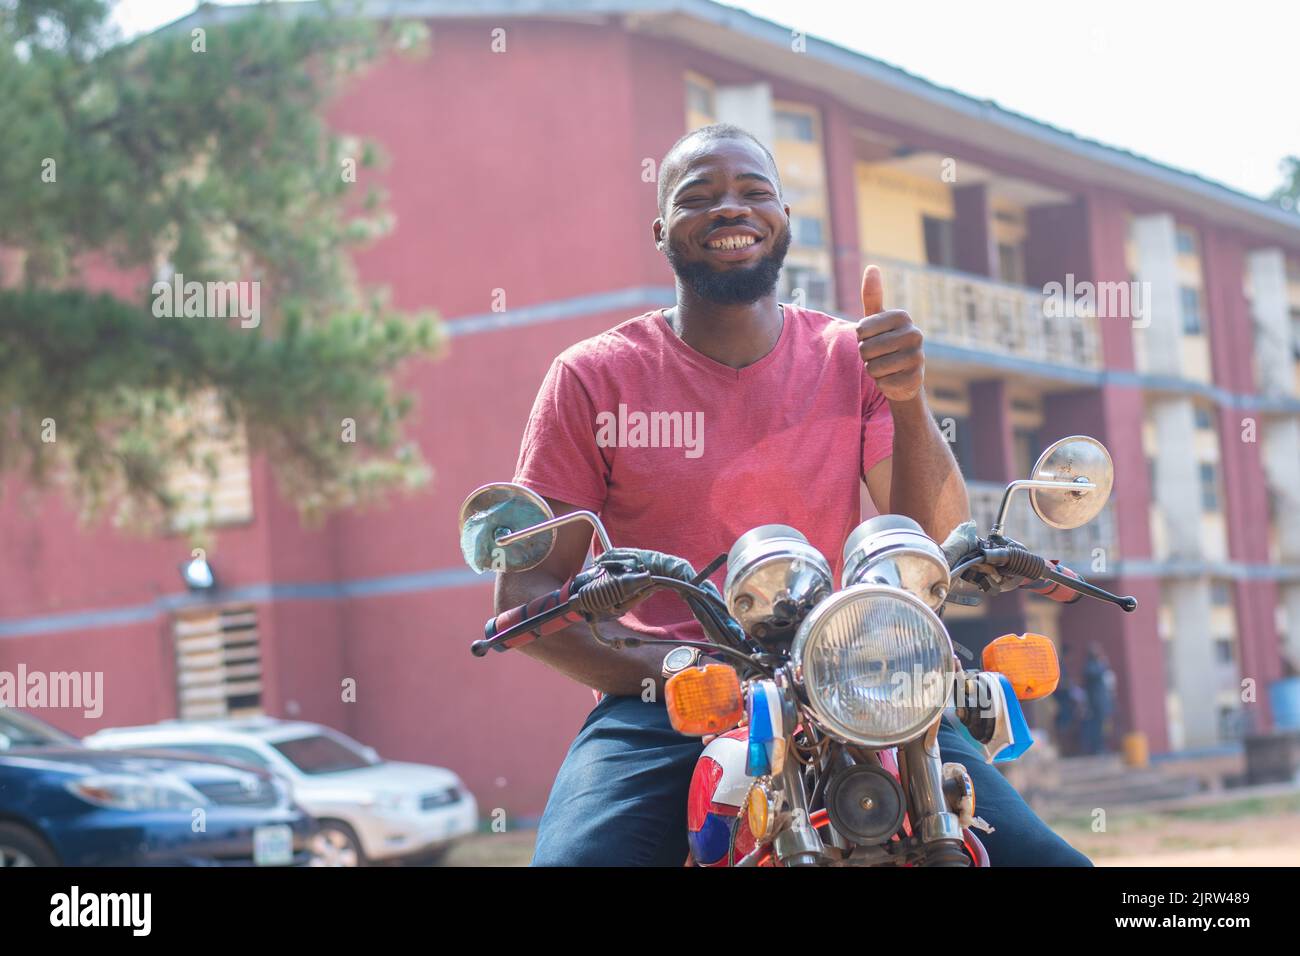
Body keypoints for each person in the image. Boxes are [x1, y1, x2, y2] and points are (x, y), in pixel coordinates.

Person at [500, 123, 1090, 866]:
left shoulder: (854, 355)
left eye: (754, 192)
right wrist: (669, 673)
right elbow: (524, 587)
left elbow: (934, 537)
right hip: (670, 702)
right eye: (699, 196)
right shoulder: (592, 378)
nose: (730, 210)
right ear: (661, 230)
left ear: (785, 218)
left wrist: (907, 397)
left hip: (858, 682)